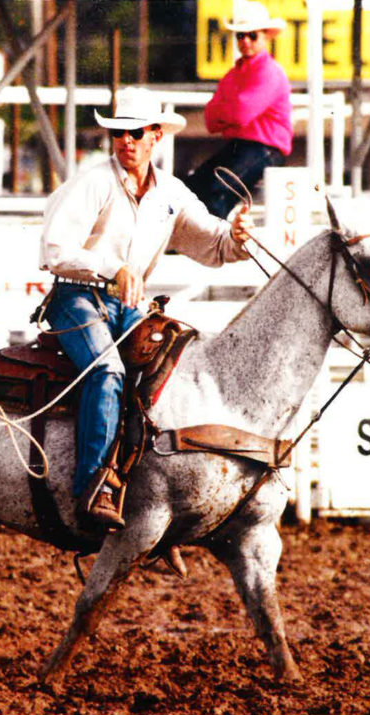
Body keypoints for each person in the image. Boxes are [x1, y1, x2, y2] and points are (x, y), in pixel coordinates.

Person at [39, 87, 253, 528]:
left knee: (166, 376)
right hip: (75, 296)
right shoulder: (94, 182)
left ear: (156, 135)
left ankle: (146, 496)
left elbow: (212, 244)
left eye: (135, 133)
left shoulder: (170, 194)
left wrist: (238, 238)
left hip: (124, 303)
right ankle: (94, 485)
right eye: (119, 133)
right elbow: (55, 248)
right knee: (107, 371)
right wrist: (112, 268)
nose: (126, 141)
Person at [183, 0, 291, 219]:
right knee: (190, 189)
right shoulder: (235, 74)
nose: (246, 41)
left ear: (265, 36)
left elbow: (237, 113)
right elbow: (211, 120)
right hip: (241, 147)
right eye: (241, 35)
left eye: (252, 35)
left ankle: (216, 248)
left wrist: (229, 110)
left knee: (218, 191)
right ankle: (198, 244)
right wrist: (234, 110)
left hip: (266, 149)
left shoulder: (269, 71)